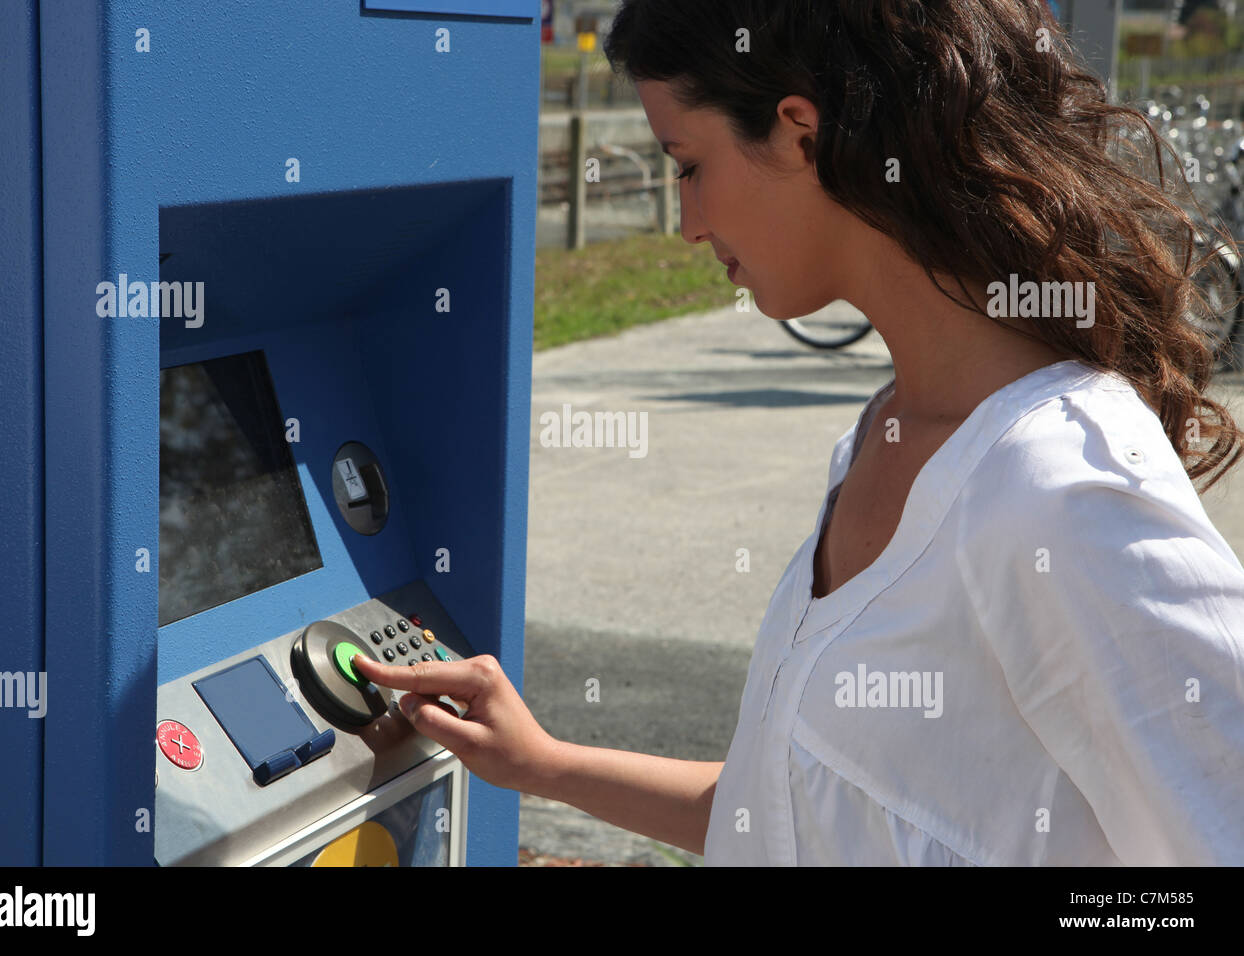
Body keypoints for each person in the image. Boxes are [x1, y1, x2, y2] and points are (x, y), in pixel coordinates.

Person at [354, 0, 1244, 865]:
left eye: (687, 164)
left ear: (799, 133)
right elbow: (786, 815)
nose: (687, 223)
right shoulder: (884, 435)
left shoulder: (1062, 492)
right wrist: (543, 765)